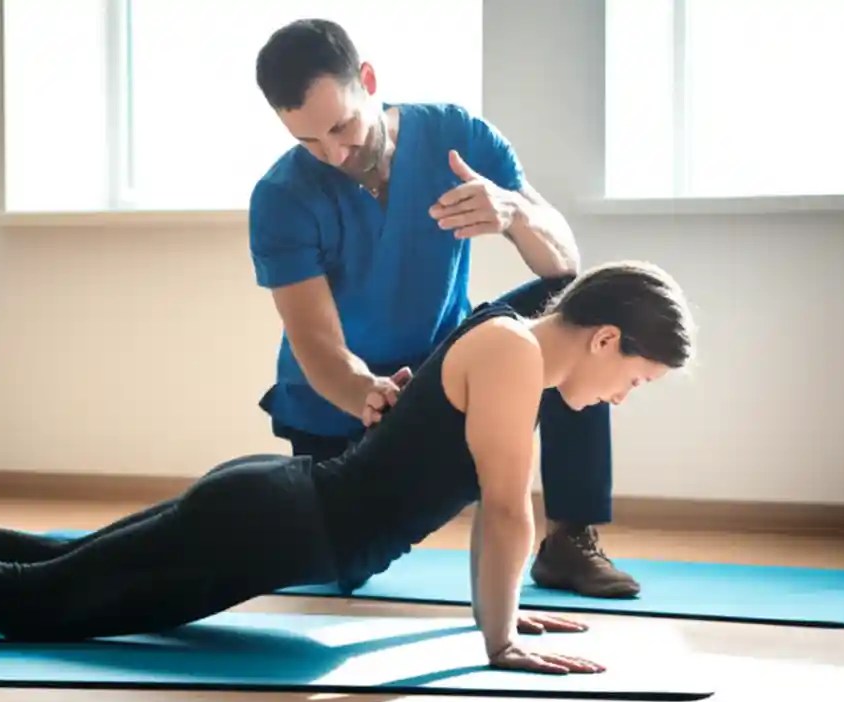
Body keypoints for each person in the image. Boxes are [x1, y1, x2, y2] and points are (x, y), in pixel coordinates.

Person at [0, 261, 695, 677]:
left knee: (59, 562)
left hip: (278, 505)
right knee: (45, 605)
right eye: (637, 377)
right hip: (279, 524)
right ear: (602, 340)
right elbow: (507, 514)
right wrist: (502, 638)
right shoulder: (516, 353)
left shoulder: (513, 338)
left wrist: (512, 612)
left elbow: (494, 507)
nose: (624, 397)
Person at [250, 19, 638, 598]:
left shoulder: (457, 137)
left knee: (580, 310)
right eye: (308, 141)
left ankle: (569, 541)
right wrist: (369, 393)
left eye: (341, 126)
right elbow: (316, 345)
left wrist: (514, 213)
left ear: (368, 80)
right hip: (343, 406)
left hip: (443, 367)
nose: (334, 153)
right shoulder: (282, 197)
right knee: (343, 570)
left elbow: (564, 262)